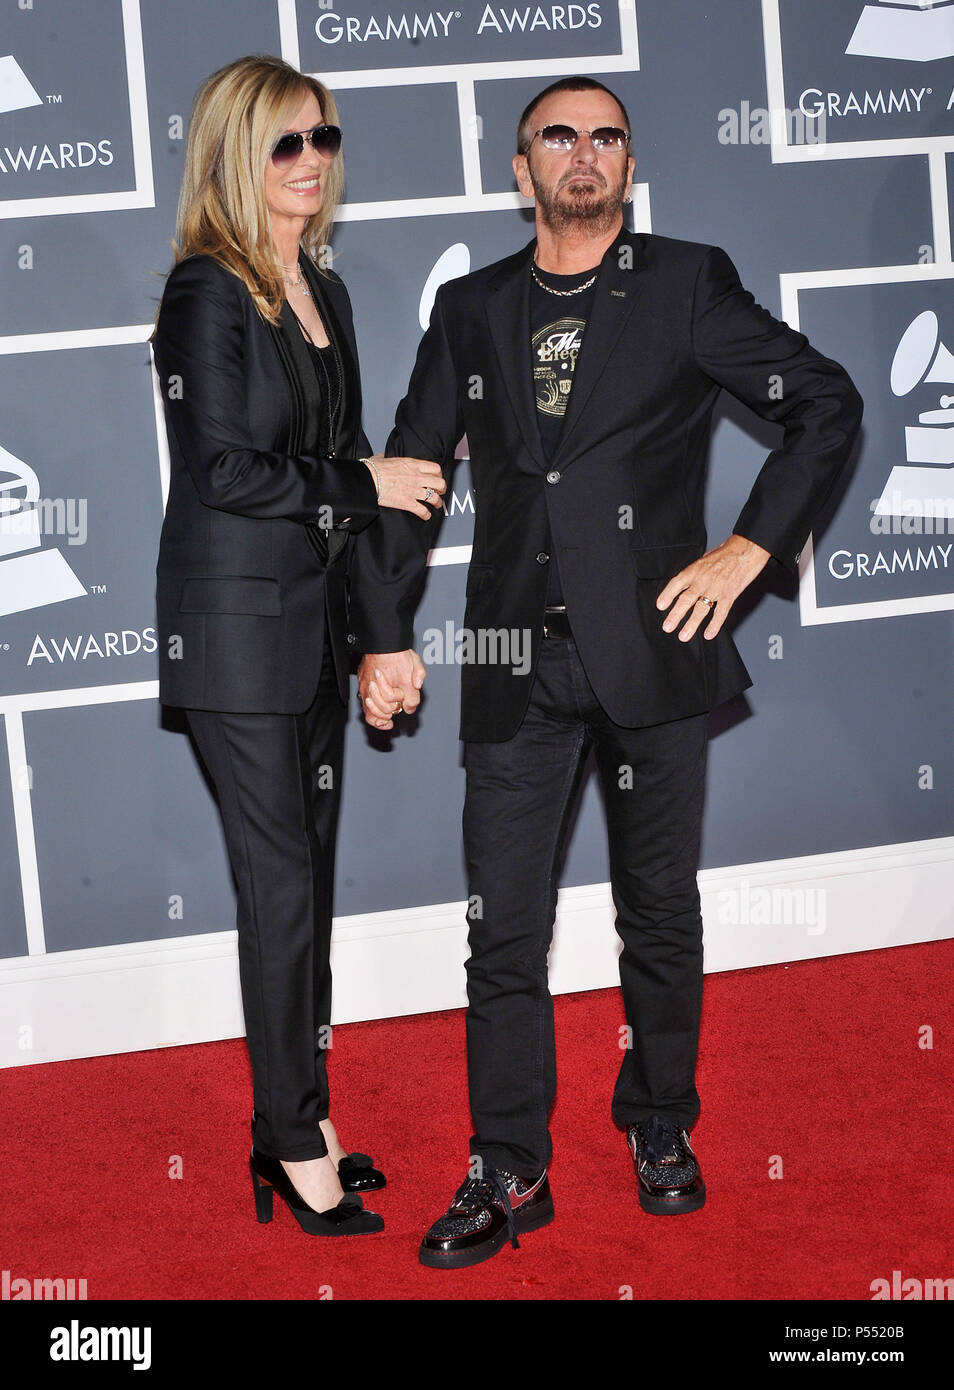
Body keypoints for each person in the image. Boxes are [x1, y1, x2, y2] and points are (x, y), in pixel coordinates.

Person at [351, 75, 863, 1267]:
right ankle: (507, 1163)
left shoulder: (687, 283)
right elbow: (412, 472)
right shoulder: (471, 309)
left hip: (657, 653)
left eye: (608, 136)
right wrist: (384, 630)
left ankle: (660, 1124)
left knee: (660, 915)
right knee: (502, 932)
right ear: (520, 167)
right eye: (558, 136)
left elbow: (823, 403)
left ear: (629, 165)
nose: (585, 154)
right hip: (515, 665)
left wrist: (752, 544)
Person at [151, 54, 445, 1237]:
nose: (312, 161)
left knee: (304, 890)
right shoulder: (205, 292)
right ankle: (285, 1139)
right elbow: (222, 471)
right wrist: (359, 477)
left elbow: (360, 483)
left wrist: (380, 634)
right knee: (279, 889)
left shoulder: (322, 284)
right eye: (285, 142)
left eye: (324, 137)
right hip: (235, 637)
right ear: (235, 152)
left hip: (314, 632)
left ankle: (305, 1116)